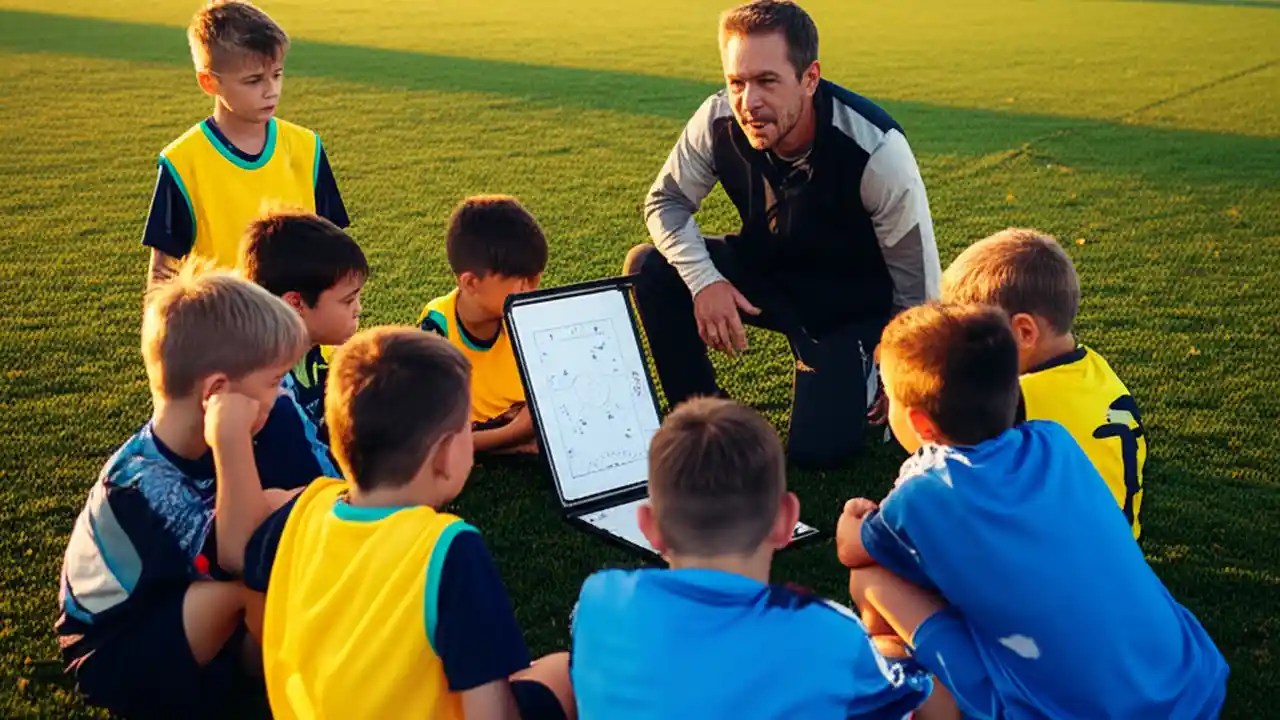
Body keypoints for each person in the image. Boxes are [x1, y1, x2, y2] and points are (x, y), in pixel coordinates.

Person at [835, 303, 1228, 719]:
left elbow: (851, 548)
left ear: (920, 423)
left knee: (871, 576)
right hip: (1187, 687)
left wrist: (853, 514)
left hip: (1058, 711)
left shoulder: (924, 495)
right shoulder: (1053, 441)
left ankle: (905, 677)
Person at [626, 0, 940, 469]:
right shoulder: (716, 121)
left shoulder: (876, 150)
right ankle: (706, 414)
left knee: (820, 453)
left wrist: (895, 368)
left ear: (810, 78)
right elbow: (665, 202)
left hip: (844, 305)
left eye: (767, 81)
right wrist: (704, 281)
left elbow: (917, 287)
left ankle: (852, 378)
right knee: (648, 267)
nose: (748, 101)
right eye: (737, 82)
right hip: (764, 271)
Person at [216, 328, 575, 720]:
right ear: (443, 456)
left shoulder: (306, 508)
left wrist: (225, 438)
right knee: (560, 673)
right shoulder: (449, 548)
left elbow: (236, 551)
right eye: (466, 430)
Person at [571, 397, 944, 719]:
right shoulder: (828, 632)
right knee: (905, 658)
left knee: (556, 670)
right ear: (785, 520)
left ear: (648, 526)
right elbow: (910, 701)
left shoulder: (601, 600)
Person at [55, 268, 318, 719]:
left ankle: (259, 669)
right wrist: (233, 439)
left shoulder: (198, 441)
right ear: (217, 392)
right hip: (118, 652)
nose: (280, 395)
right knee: (248, 579)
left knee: (273, 509)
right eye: (275, 382)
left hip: (174, 609)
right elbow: (238, 553)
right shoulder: (139, 482)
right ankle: (292, 687)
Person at [941, 227, 1147, 538]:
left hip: (1062, 568)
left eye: (972, 334)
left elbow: (955, 478)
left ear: (1024, 332)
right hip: (1119, 554)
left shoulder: (1020, 400)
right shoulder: (1097, 369)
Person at [142, 0, 348, 288]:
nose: (271, 90)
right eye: (254, 81)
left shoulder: (306, 147)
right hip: (222, 326)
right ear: (209, 82)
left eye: (277, 75)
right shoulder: (182, 162)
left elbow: (333, 252)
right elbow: (164, 274)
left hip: (301, 328)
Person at [419, 195, 546, 454]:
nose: (531, 291)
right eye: (522, 282)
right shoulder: (438, 326)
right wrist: (514, 436)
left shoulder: (525, 317)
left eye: (535, 279)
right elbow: (433, 441)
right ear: (471, 283)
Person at [239, 211, 368, 441]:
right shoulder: (270, 391)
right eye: (348, 300)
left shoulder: (309, 354)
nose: (358, 309)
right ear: (296, 303)